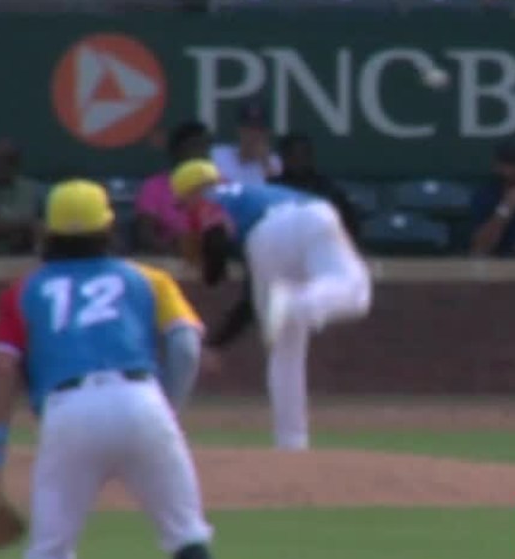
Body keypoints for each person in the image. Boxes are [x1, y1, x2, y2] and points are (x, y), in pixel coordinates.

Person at [0, 180, 228, 559]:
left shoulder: (22, 291)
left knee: (48, 553)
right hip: (141, 400)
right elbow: (184, 347)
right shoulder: (149, 278)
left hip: (68, 410)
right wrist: (168, 412)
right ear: (109, 226)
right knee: (186, 533)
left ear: (45, 231)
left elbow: (2, 371)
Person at [172, 159, 372, 451]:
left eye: (181, 203)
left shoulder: (206, 200)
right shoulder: (255, 190)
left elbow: (215, 242)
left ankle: (291, 440)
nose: (184, 208)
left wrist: (210, 270)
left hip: (265, 236)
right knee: (355, 292)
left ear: (189, 192)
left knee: (284, 349)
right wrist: (218, 342)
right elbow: (251, 303)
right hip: (314, 214)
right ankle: (292, 443)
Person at [134, 121, 213, 254]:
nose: (200, 152)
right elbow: (144, 235)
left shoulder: (221, 186)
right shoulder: (154, 187)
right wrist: (175, 252)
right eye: (194, 146)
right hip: (170, 260)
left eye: (204, 147)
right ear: (177, 151)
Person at [272, 132, 359, 237]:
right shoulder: (272, 189)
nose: (299, 160)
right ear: (284, 157)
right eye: (293, 155)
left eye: (304, 154)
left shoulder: (327, 189)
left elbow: (348, 227)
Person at [209, 102, 282, 185]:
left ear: (266, 133)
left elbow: (277, 192)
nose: (253, 134)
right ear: (239, 130)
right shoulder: (217, 155)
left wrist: (264, 161)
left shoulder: (273, 162)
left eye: (259, 129)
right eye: (248, 129)